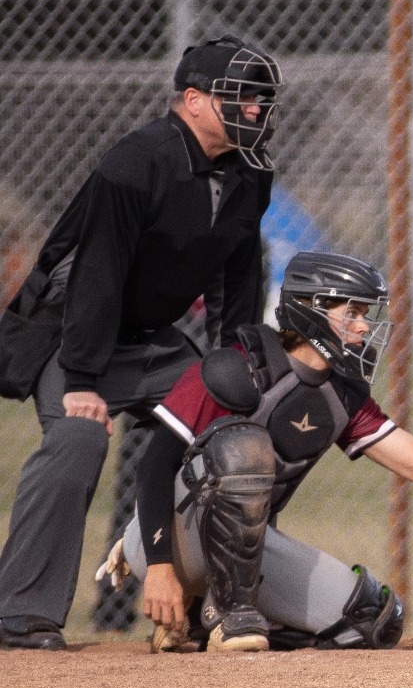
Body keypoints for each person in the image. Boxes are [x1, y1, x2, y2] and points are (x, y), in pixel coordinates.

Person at [0, 36, 281, 650]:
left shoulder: (250, 174)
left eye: (262, 100)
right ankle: (20, 614)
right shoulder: (135, 163)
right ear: (193, 101)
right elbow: (94, 274)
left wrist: (235, 362)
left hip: (155, 342)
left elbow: (240, 271)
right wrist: (79, 382)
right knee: (76, 438)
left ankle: (217, 605)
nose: (257, 111)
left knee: (232, 437)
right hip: (74, 335)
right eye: (242, 98)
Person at [100, 251, 413, 652]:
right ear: (311, 310)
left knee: (371, 619)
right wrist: (157, 567)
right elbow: (154, 465)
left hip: (242, 555)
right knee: (242, 448)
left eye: (365, 315)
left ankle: (205, 619)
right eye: (352, 313)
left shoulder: (342, 397)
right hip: (166, 542)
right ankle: (231, 617)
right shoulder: (235, 368)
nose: (363, 327)